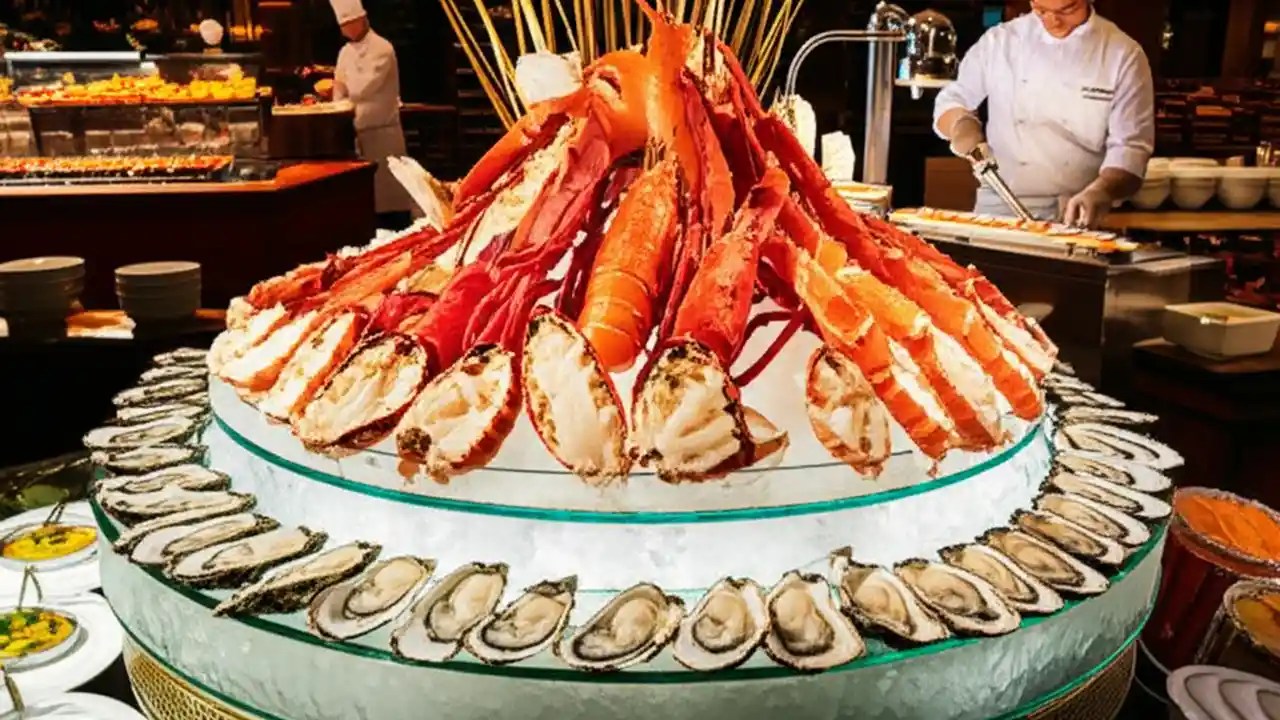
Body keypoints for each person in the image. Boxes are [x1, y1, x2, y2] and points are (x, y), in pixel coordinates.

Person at [933, 0, 1155, 228]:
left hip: (1078, 213)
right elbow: (953, 98)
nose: (1053, 21)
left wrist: (1103, 190)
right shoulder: (1001, 41)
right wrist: (961, 123)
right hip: (998, 207)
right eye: (1041, 10)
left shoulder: (1122, 54)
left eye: (1067, 10)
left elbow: (1131, 147)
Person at [329, 0, 414, 229]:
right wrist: (338, 103)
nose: (343, 31)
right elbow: (339, 88)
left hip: (383, 135)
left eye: (347, 25)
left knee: (391, 203)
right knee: (367, 206)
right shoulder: (345, 52)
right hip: (357, 134)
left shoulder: (382, 48)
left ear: (360, 20)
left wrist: (343, 87)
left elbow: (361, 88)